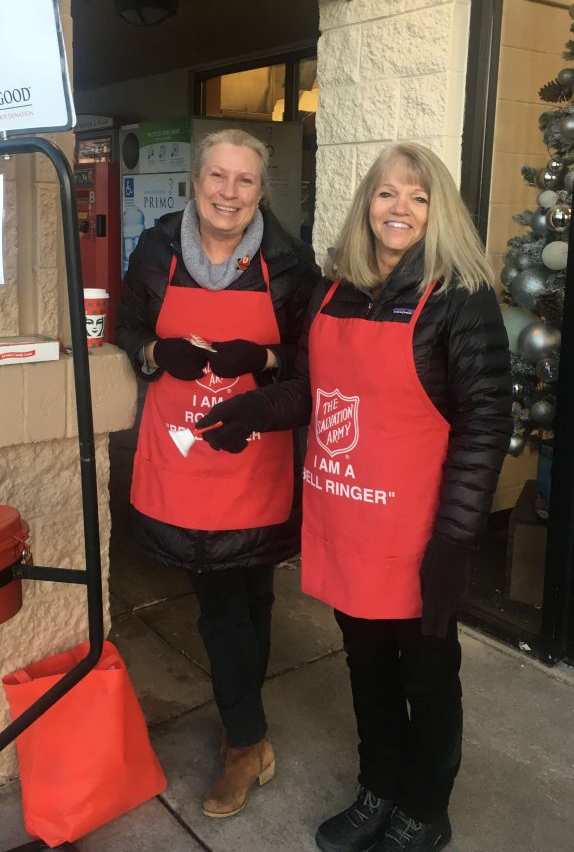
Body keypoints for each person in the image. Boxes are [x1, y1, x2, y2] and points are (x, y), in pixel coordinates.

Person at [199, 143, 512, 851]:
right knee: (366, 665)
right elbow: (315, 390)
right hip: (347, 520)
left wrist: (455, 542)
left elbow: (486, 425)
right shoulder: (336, 289)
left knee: (427, 677)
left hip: (419, 535)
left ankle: (423, 810)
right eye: (386, 194)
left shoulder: (460, 299)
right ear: (366, 205)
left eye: (418, 197)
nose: (399, 209)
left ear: (439, 212)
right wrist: (252, 412)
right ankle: (379, 789)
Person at [116, 128, 320, 819]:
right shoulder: (156, 250)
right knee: (219, 600)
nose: (228, 193)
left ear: (261, 191)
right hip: (181, 455)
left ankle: (246, 738)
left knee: (251, 594)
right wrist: (153, 351)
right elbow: (125, 326)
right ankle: (247, 738)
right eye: (217, 177)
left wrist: (258, 361)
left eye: (244, 181)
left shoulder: (289, 264)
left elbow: (308, 362)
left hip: (254, 454)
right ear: (194, 182)